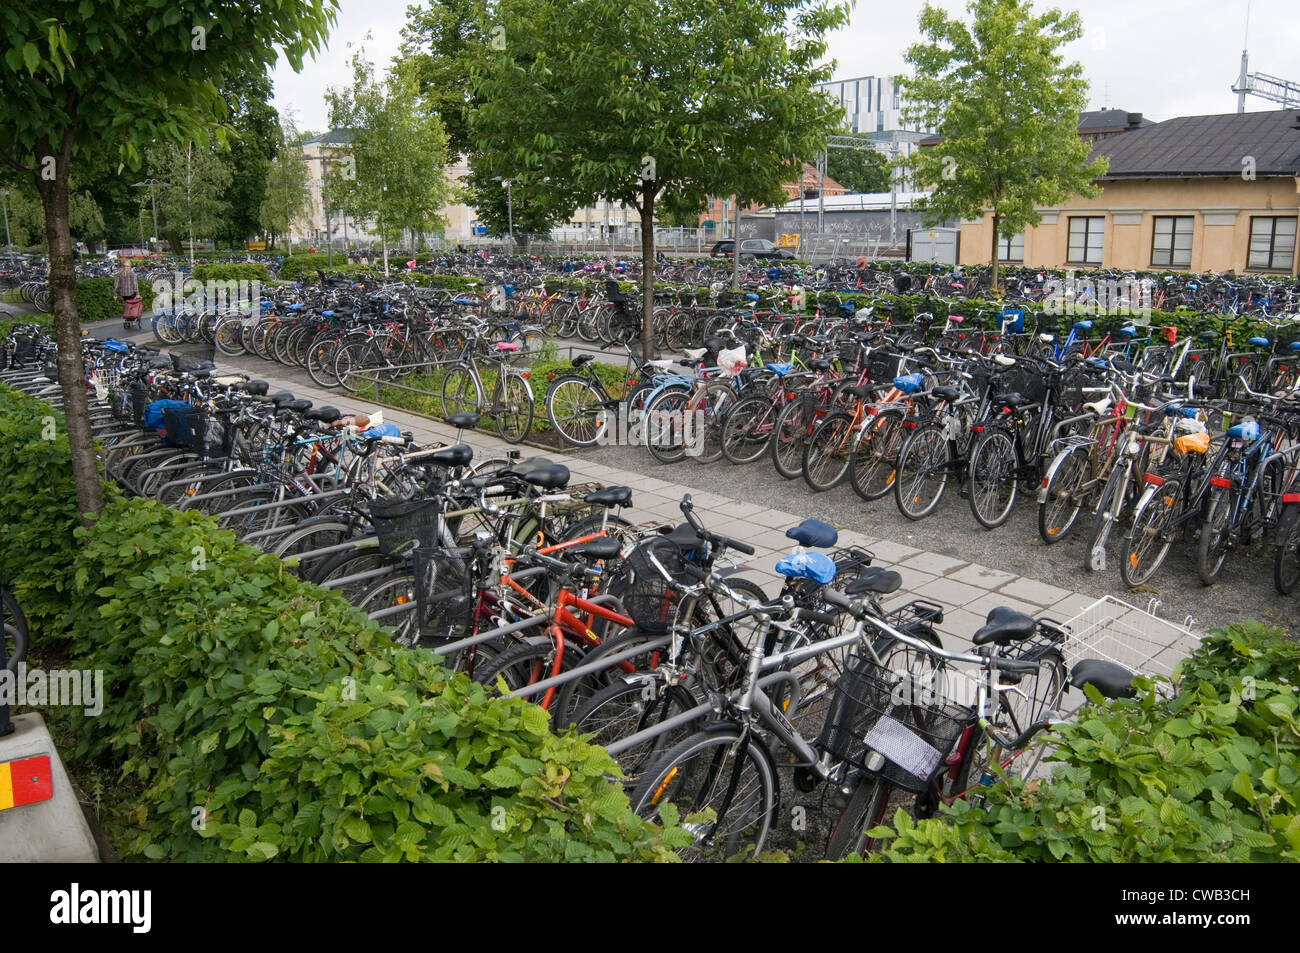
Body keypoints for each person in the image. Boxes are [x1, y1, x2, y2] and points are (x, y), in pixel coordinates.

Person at [114, 259, 141, 329]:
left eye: (127, 266)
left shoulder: (118, 274)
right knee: (133, 307)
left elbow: (116, 285)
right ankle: (133, 319)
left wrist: (115, 294)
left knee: (127, 306)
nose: (126, 267)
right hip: (132, 293)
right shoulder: (132, 273)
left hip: (123, 294)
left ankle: (128, 319)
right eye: (126, 266)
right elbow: (135, 284)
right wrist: (137, 294)